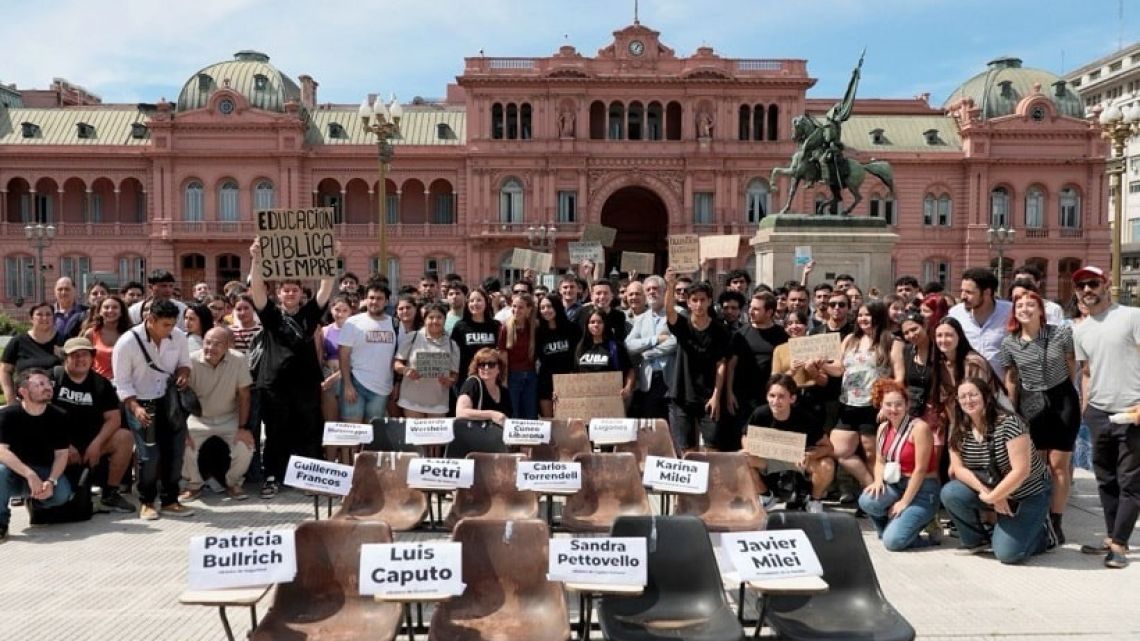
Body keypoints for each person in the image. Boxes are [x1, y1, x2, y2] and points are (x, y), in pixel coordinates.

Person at [247, 239, 334, 500]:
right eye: (285, 290)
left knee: (308, 429)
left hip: (306, 384)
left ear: (301, 293)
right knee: (275, 432)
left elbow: (326, 288)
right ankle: (273, 476)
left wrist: (331, 257)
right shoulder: (271, 314)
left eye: (294, 290)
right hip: (274, 384)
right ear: (280, 294)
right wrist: (257, 258)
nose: (290, 294)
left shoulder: (309, 314)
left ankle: (308, 477)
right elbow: (257, 291)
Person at [1070, 265, 1140, 568]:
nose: (1088, 290)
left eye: (1093, 284)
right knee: (1106, 479)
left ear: (1105, 284)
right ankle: (1113, 536)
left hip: (1132, 409)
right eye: (1082, 286)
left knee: (1130, 481)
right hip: (1098, 412)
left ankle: (1121, 545)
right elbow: (1086, 371)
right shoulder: (1081, 330)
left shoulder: (1131, 316)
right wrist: (1087, 406)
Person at [941, 377, 1053, 564]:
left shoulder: (1009, 423)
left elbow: (1021, 471)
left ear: (985, 396)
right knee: (951, 492)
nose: (968, 400)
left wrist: (994, 497)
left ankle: (1043, 534)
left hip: (1027, 493)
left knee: (1008, 555)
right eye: (963, 397)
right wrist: (989, 493)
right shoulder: (958, 428)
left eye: (973, 395)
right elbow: (958, 470)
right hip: (993, 490)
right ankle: (977, 540)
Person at [1000, 290, 1079, 544]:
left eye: (1030, 304)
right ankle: (1038, 514)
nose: (1025, 309)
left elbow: (1071, 364)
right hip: (1030, 402)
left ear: (1040, 309)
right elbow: (1011, 378)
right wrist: (1012, 410)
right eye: (1019, 305)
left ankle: (1056, 518)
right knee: (1036, 465)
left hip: (1062, 399)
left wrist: (1065, 390)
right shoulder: (1009, 342)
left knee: (1059, 465)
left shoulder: (1061, 333)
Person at [111, 299, 194, 520]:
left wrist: (184, 374)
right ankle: (147, 501)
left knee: (175, 452)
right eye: (165, 325)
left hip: (170, 401)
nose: (170, 329)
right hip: (141, 402)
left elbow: (185, 363)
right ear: (150, 320)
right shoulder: (127, 342)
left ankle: (170, 500)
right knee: (149, 456)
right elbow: (122, 382)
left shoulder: (177, 336)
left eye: (173, 324)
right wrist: (135, 407)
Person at [822, 301, 905, 488]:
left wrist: (888, 404)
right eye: (860, 315)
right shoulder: (850, 339)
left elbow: (899, 377)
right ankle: (871, 488)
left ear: (878, 317)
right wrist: (821, 365)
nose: (863, 319)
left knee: (871, 454)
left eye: (867, 315)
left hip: (874, 405)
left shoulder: (892, 341)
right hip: (848, 404)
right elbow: (838, 368)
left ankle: (882, 493)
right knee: (840, 451)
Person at [51, 337, 134, 513]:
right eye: (75, 355)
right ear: (65, 357)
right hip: (58, 444)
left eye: (85, 355)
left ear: (92, 357)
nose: (81, 359)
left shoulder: (101, 384)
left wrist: (96, 445)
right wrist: (65, 445)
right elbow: (41, 417)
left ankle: (110, 494)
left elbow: (114, 419)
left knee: (124, 437)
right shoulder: (53, 378)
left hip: (91, 444)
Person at [858, 379, 940, 551]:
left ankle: (923, 526)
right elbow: (880, 461)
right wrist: (878, 480)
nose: (893, 409)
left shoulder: (919, 428)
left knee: (893, 542)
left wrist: (904, 502)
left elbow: (921, 469)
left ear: (907, 404)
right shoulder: (882, 428)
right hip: (897, 484)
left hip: (922, 489)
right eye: (888, 404)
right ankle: (891, 527)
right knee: (867, 500)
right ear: (881, 405)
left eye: (898, 404)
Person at [179, 327, 253, 502]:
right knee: (183, 445)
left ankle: (233, 483)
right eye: (207, 342)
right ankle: (194, 485)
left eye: (217, 344)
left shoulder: (238, 360)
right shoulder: (190, 361)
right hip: (198, 418)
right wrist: (182, 429)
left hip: (229, 416)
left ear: (228, 346)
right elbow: (180, 397)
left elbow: (245, 395)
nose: (210, 348)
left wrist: (243, 428)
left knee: (245, 446)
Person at [0, 369, 74, 542]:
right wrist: (29, 474)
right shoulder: (7, 415)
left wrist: (51, 480)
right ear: (23, 391)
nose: (47, 387)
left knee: (62, 494)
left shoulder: (59, 416)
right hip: (15, 473)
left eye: (48, 383)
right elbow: (2, 451)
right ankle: (1, 521)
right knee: (0, 472)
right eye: (40, 384)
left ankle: (37, 503)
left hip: (45, 471)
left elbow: (62, 454)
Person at [746, 374, 835, 512]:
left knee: (827, 464)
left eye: (781, 396)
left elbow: (828, 447)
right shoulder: (760, 414)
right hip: (770, 458)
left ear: (792, 398)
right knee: (740, 459)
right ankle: (765, 496)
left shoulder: (805, 417)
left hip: (798, 460)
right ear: (766, 397)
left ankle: (814, 500)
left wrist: (810, 455)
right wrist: (750, 448)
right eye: (772, 396)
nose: (776, 401)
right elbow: (745, 437)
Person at [664, 268, 729, 453]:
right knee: (687, 451)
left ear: (709, 301)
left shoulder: (720, 330)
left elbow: (721, 364)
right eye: (694, 300)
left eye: (702, 300)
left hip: (709, 397)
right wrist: (670, 285)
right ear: (688, 302)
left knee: (712, 451)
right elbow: (669, 311)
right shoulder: (682, 325)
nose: (699, 304)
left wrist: (717, 395)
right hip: (682, 395)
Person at [724, 292, 788, 450]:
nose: (750, 312)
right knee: (744, 438)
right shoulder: (741, 334)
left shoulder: (781, 335)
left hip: (769, 398)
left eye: (756, 309)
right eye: (750, 308)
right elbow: (731, 365)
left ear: (769, 312)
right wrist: (729, 392)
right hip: (743, 397)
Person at [339, 284, 398, 423]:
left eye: (379, 298)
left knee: (371, 436)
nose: (374, 302)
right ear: (365, 299)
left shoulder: (395, 324)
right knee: (352, 434)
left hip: (381, 389)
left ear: (386, 301)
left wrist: (395, 385)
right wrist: (347, 384)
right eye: (371, 297)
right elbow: (343, 355)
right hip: (355, 384)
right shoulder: (353, 322)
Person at [931, 317, 1002, 425]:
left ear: (959, 336)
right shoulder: (940, 365)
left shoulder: (974, 363)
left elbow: (980, 400)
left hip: (986, 421)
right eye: (939, 336)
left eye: (949, 335)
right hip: (957, 424)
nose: (943, 340)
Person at [625, 275, 676, 420]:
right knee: (652, 428)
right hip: (648, 381)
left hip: (670, 378)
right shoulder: (641, 319)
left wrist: (650, 353)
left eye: (656, 288)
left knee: (672, 428)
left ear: (664, 291)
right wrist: (655, 340)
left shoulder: (675, 313)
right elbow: (629, 345)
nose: (652, 292)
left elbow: (675, 342)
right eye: (648, 289)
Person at [948, 267, 1014, 379]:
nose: (963, 296)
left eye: (969, 292)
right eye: (962, 291)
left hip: (1001, 388)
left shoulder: (1009, 312)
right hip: (967, 387)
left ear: (987, 292)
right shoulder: (956, 314)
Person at [395, 303, 459, 418]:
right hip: (411, 401)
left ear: (445, 320)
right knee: (413, 435)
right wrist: (406, 371)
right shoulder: (412, 337)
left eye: (439, 317)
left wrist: (449, 381)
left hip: (438, 402)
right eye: (431, 317)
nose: (435, 321)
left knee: (436, 436)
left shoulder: (452, 344)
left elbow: (454, 374)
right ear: (424, 320)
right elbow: (396, 363)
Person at [2, 302, 62, 405]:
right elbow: (4, 371)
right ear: (31, 318)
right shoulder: (18, 341)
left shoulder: (63, 340)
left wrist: (63, 356)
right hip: (26, 402)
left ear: (53, 318)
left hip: (56, 402)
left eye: (48, 314)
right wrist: (10, 398)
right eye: (39, 314)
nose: (44, 318)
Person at [573, 309, 635, 400]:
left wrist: (628, 388)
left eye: (599, 322)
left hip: (611, 399)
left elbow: (630, 370)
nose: (596, 325)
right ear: (587, 325)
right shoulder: (581, 347)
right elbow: (574, 374)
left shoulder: (615, 347)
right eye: (592, 322)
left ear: (605, 324)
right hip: (587, 399)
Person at [536, 295, 581, 419]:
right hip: (546, 381)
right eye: (542, 307)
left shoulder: (573, 329)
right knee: (549, 421)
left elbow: (578, 356)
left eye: (549, 306)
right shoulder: (537, 332)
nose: (546, 310)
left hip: (568, 379)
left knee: (569, 422)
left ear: (557, 307)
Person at [452, 287, 502, 391]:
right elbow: (454, 353)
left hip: (491, 378)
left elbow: (501, 352)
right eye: (471, 300)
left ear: (486, 302)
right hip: (467, 379)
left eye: (479, 300)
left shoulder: (496, 326)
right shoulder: (460, 326)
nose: (475, 303)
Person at [498, 293, 539, 420]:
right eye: (514, 306)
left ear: (529, 309)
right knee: (513, 414)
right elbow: (503, 355)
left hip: (531, 375)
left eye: (520, 307)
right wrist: (504, 380)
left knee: (530, 414)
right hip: (512, 376)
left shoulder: (534, 326)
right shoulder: (506, 327)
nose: (516, 310)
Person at [317, 295, 352, 423]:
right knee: (330, 421)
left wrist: (335, 377)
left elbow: (354, 360)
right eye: (337, 310)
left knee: (347, 421)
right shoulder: (325, 330)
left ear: (350, 311)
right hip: (328, 376)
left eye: (344, 310)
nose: (340, 314)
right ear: (331, 310)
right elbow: (321, 355)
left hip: (347, 377)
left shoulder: (355, 331)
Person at [456, 348, 512, 426]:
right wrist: (491, 415)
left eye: (491, 364)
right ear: (477, 368)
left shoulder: (504, 391)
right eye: (482, 364)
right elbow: (461, 412)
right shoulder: (472, 384)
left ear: (499, 368)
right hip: (475, 436)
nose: (486, 368)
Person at [81, 295, 131, 381]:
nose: (110, 310)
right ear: (100, 311)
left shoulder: (129, 334)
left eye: (115, 307)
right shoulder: (91, 333)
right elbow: (83, 360)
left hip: (123, 384)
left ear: (121, 312)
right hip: (97, 383)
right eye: (106, 307)